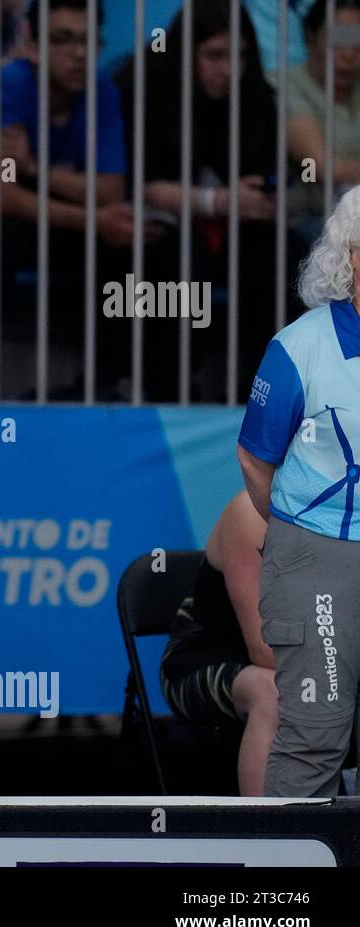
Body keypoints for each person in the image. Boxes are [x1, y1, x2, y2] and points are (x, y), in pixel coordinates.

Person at [0, 0, 146, 399]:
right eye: (61, 40)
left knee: (119, 243)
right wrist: (93, 215)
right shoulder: (7, 85)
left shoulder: (101, 90)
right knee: (0, 238)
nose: (77, 53)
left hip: (42, 208)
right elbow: (2, 196)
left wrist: (38, 168)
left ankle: (107, 383)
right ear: (33, 44)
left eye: (86, 41)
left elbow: (112, 191)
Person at [236, 183, 360, 798]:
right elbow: (256, 461)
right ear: (352, 256)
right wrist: (304, 537)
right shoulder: (299, 346)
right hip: (318, 554)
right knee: (314, 734)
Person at [117, 0, 285, 403]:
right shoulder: (140, 86)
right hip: (157, 229)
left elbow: (262, 187)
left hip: (232, 233)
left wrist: (266, 197)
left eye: (240, 56)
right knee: (172, 258)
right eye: (214, 55)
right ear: (185, 50)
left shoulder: (257, 96)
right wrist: (217, 201)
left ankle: (268, 394)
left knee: (281, 254)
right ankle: (166, 390)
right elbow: (136, 185)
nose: (229, 70)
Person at [160, 491, 277, 796]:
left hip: (318, 659)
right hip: (207, 660)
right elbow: (263, 649)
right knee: (273, 692)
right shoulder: (252, 513)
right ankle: (272, 833)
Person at [286, 0, 360, 239]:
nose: (349, 54)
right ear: (310, 36)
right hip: (312, 222)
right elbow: (319, 166)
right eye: (338, 41)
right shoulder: (286, 86)